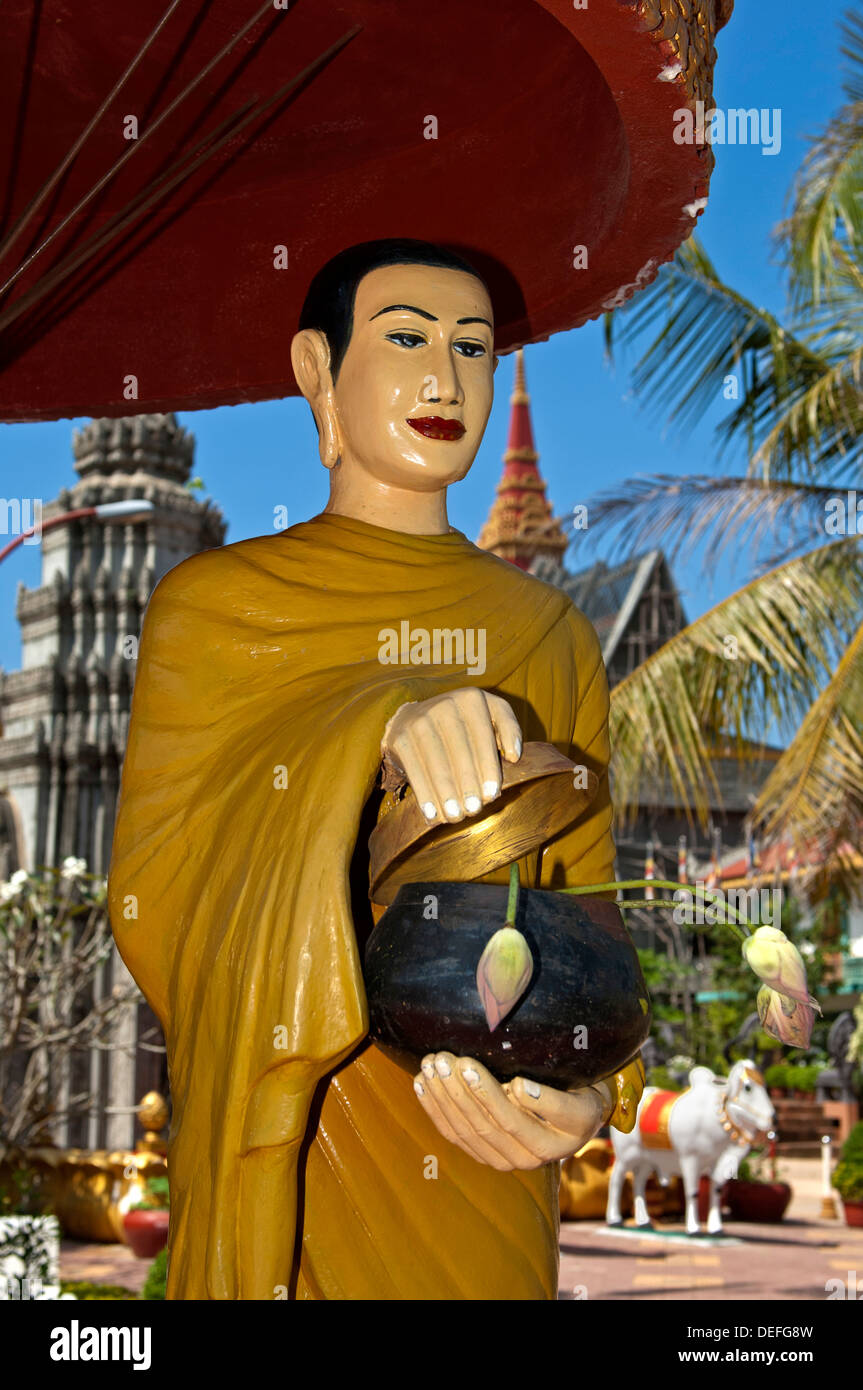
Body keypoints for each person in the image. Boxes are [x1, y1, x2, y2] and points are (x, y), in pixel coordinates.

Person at [108, 238, 643, 1300]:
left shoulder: (545, 631)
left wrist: (585, 1082)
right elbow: (152, 899)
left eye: (473, 348)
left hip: (484, 1154)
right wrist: (372, 726)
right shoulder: (213, 609)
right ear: (317, 370)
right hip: (301, 1129)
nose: (444, 379)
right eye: (404, 338)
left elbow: (586, 912)